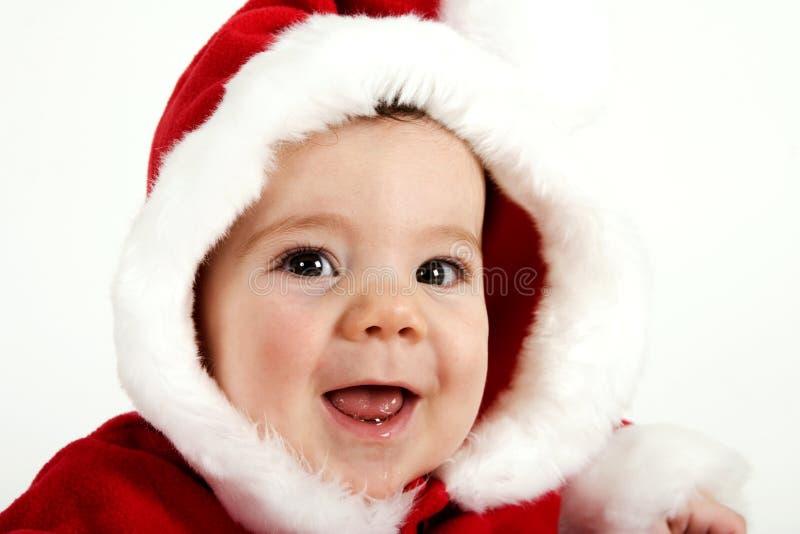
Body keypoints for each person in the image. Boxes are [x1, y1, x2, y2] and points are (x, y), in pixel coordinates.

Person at [0, 1, 749, 532]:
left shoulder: (517, 506)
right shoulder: (106, 508)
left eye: (437, 272)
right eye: (310, 259)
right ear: (187, 316)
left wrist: (656, 507)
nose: (392, 313)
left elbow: (593, 455)